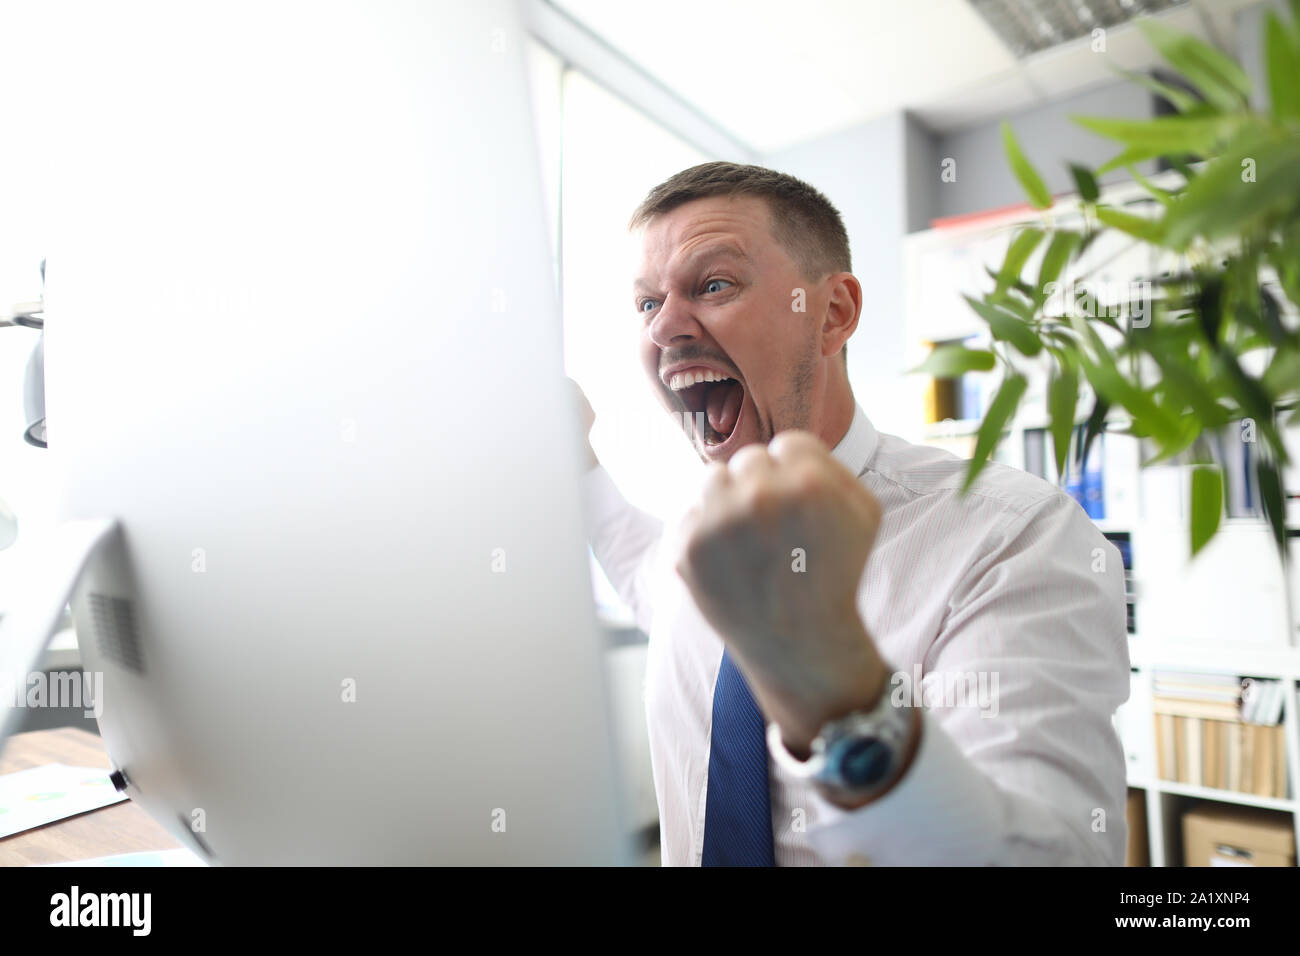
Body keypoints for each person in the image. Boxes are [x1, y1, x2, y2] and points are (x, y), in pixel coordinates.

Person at [576, 161, 1130, 866]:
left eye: (713, 285)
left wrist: (832, 686)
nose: (667, 329)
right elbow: (644, 575)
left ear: (832, 314)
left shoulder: (1013, 536)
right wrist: (577, 462)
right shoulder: (704, 533)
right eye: (647, 304)